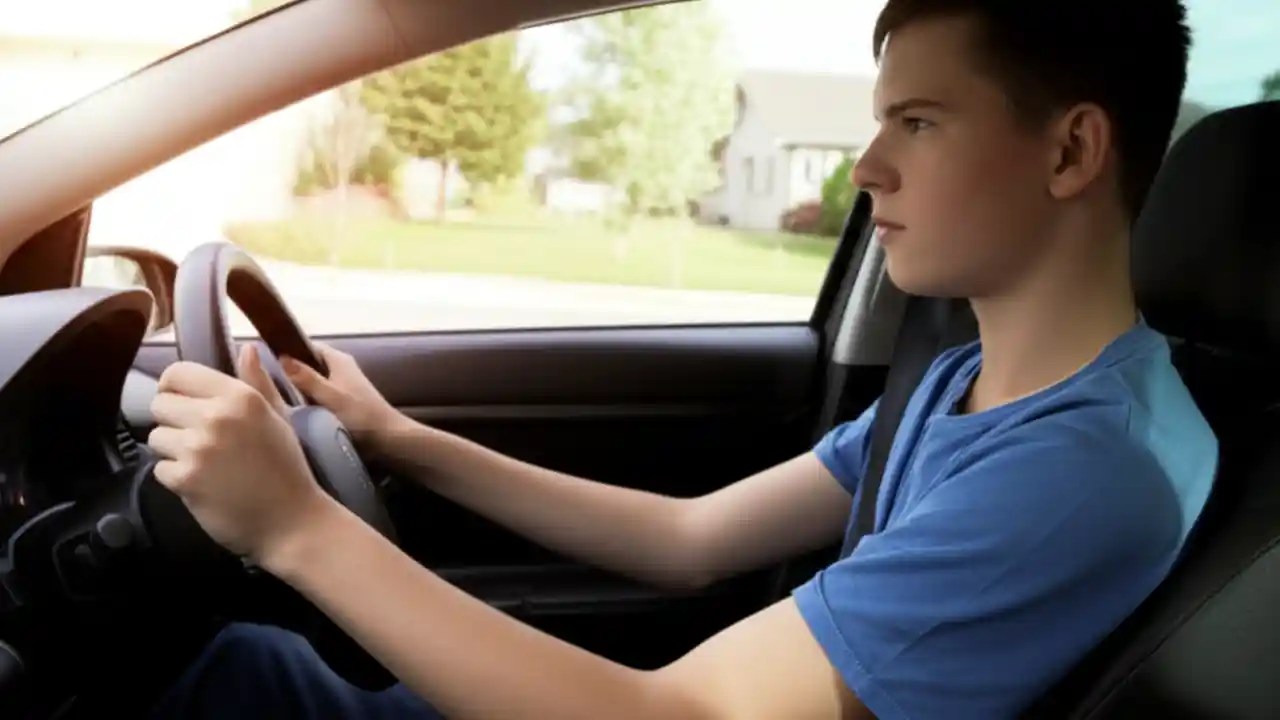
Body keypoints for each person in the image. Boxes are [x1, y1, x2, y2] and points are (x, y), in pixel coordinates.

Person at [144, 1, 1217, 718]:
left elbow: (683, 717)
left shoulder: (1078, 474)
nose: (865, 164)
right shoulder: (966, 387)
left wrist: (295, 527)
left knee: (227, 679)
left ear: (1070, 150)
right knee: (249, 670)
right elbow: (688, 539)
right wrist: (400, 442)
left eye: (918, 122)